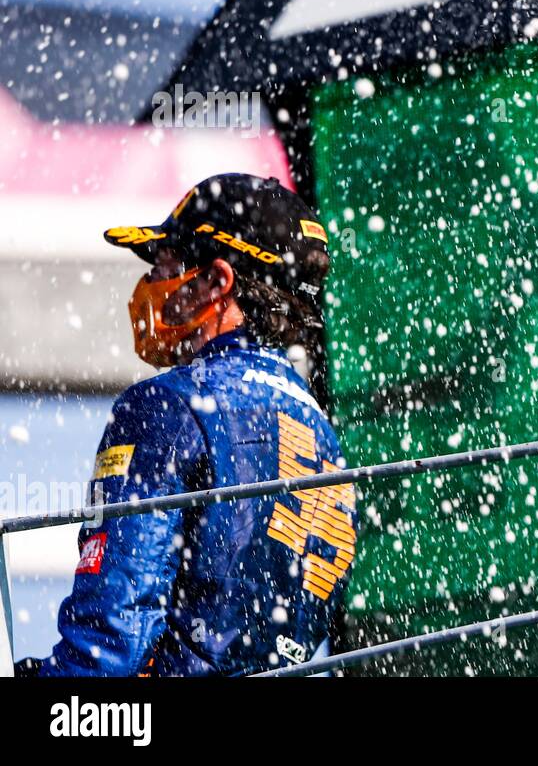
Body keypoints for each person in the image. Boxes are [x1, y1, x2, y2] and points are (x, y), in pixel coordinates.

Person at [18, 173, 354, 676]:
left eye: (164, 265)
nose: (148, 288)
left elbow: (112, 643)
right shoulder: (324, 434)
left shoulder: (165, 406)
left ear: (218, 282)